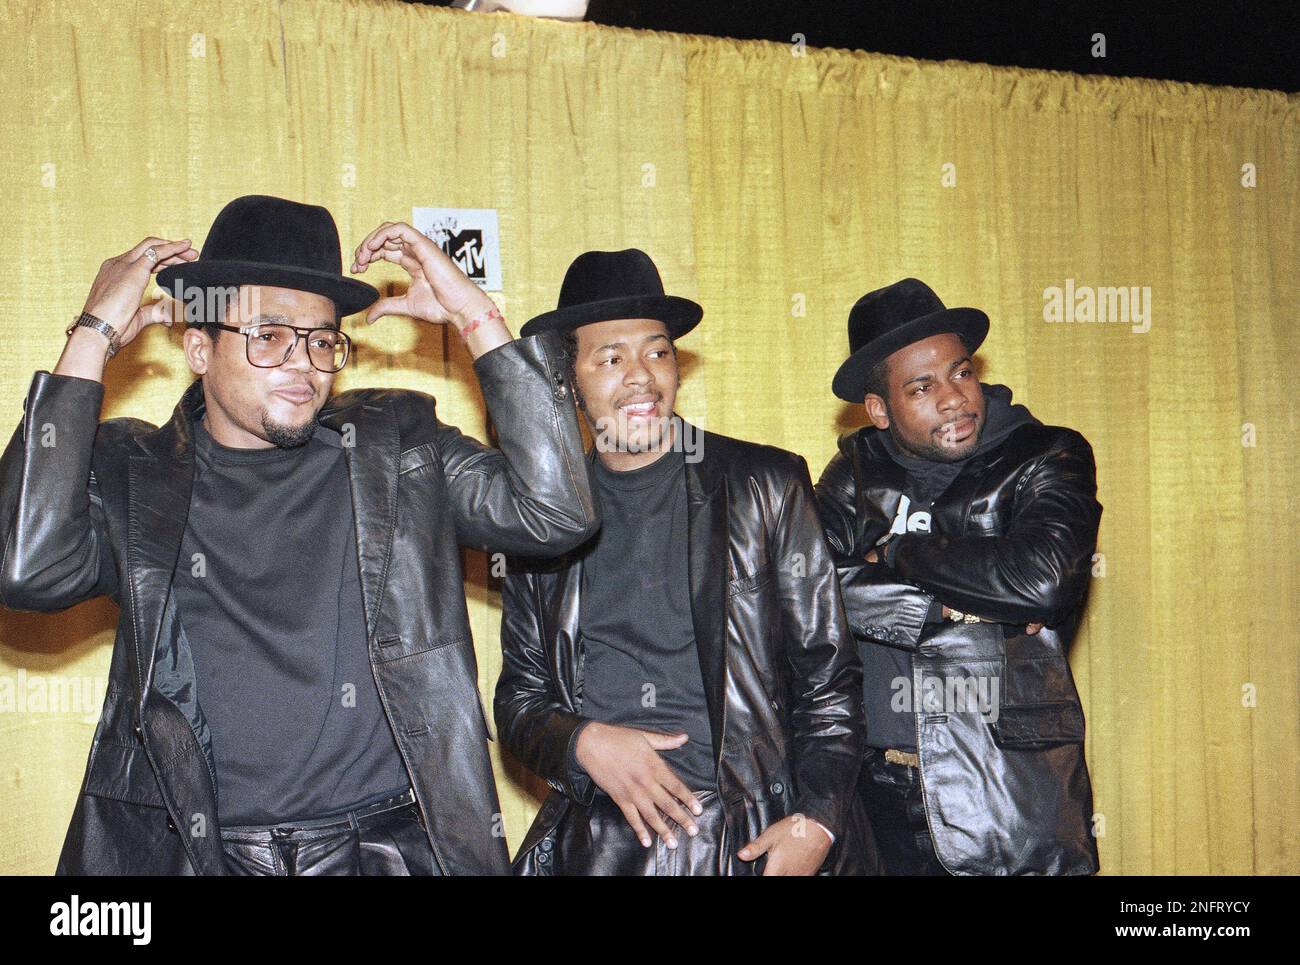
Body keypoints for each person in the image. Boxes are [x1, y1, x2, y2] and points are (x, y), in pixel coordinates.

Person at [0, 196, 597, 875]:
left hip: (386, 851)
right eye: (269, 335)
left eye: (320, 340)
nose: (304, 362)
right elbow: (27, 567)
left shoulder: (396, 449)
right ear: (200, 346)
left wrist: (476, 316)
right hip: (200, 853)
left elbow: (556, 512)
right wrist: (92, 336)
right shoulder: (133, 471)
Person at [495, 248, 876, 875]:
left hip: (751, 835)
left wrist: (819, 822)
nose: (642, 376)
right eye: (611, 358)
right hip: (608, 843)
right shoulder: (538, 520)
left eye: (657, 351)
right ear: (568, 379)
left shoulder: (765, 485)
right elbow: (520, 700)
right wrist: (582, 742)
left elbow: (829, 679)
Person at [815, 277, 1102, 875]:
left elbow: (1041, 580)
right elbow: (803, 587)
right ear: (879, 410)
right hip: (871, 793)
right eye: (921, 387)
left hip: (1006, 787)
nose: (953, 399)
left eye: (960, 372)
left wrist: (896, 552)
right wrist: (938, 608)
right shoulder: (858, 470)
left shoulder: (1047, 455)